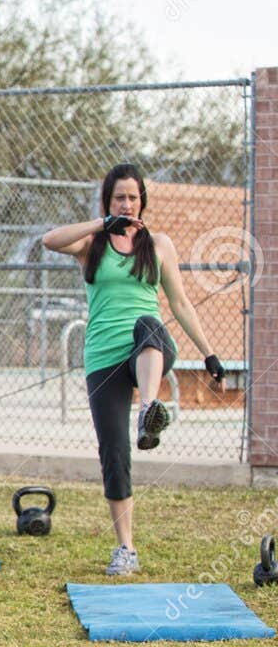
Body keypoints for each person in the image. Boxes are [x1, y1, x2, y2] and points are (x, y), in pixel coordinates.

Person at [42, 163, 225, 576]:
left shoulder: (158, 244)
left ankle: (148, 410)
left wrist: (209, 353)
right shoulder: (92, 243)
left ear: (143, 201)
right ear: (108, 202)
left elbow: (179, 303)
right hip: (103, 359)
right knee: (114, 452)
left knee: (148, 324)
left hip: (151, 349)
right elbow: (49, 240)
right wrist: (102, 223)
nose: (127, 203)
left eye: (133, 197)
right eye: (119, 197)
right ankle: (126, 548)